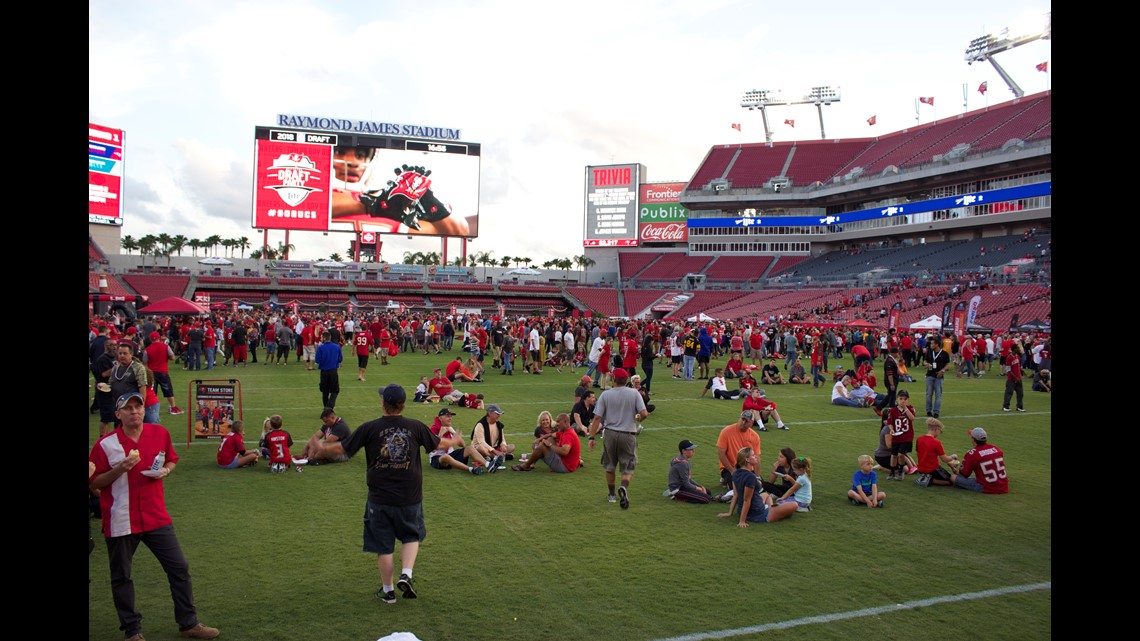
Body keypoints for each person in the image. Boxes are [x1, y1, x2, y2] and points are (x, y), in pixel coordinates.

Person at [89, 392, 221, 640]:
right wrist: (121, 469)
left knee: (179, 568)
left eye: (138, 407)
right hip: (120, 519)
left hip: (155, 516)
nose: (134, 412)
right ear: (118, 415)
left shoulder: (159, 433)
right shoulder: (105, 445)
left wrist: (166, 472)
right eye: (128, 408)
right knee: (121, 576)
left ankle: (189, 623)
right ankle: (132, 631)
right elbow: (94, 483)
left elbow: (171, 459)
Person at [340, 383, 460, 603]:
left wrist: (319, 448)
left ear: (383, 403)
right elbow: (436, 444)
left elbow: (343, 449)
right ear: (403, 405)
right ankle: (407, 573)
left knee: (384, 546)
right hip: (410, 495)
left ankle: (388, 591)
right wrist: (454, 441)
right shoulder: (415, 426)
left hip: (379, 498)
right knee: (411, 535)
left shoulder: (370, 427)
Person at [587, 368, 649, 509]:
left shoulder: (605, 395)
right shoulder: (634, 393)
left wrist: (591, 437)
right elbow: (644, 413)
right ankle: (623, 486)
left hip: (610, 433)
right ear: (627, 380)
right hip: (628, 434)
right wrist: (638, 418)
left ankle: (611, 495)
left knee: (609, 465)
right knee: (627, 466)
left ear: (614, 379)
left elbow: (597, 417)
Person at [717, 447, 798, 526]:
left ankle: (771, 508)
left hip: (743, 510)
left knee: (766, 495)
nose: (755, 456)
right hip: (758, 514)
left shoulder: (735, 473)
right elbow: (746, 500)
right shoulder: (750, 477)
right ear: (747, 460)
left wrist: (729, 513)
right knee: (794, 505)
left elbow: (736, 495)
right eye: (753, 455)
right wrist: (742, 521)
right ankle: (773, 511)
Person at [427, 407, 488, 475]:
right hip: (437, 458)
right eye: (447, 416)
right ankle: (471, 469)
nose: (450, 418)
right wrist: (441, 434)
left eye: (451, 416)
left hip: (451, 455)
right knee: (445, 457)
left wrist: (454, 433)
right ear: (440, 418)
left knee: (469, 448)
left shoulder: (449, 428)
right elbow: (432, 449)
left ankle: (488, 465)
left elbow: (462, 445)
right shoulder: (432, 430)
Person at [512, 412, 580, 473]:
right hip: (566, 462)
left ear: (565, 422)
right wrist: (539, 439)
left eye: (558, 422)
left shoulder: (568, 435)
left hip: (566, 467)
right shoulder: (565, 431)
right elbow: (551, 435)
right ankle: (531, 464)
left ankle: (526, 465)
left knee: (543, 446)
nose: (556, 424)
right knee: (549, 439)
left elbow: (564, 451)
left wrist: (549, 445)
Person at [950, 427, 1009, 494]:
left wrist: (952, 467)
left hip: (987, 487)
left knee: (953, 477)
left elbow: (964, 475)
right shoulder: (996, 448)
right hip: (1003, 485)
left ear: (973, 440)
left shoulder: (973, 453)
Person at [715, 411, 763, 490]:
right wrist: (732, 471)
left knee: (759, 488)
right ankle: (727, 480)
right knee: (738, 488)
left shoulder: (755, 436)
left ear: (751, 423)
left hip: (748, 469)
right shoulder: (726, 432)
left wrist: (757, 477)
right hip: (731, 468)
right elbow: (721, 454)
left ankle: (726, 482)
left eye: (746, 421)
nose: (743, 422)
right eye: (742, 419)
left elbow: (756, 457)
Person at [142, 332, 185, 415]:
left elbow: (145, 363)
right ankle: (173, 407)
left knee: (152, 392)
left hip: (151, 373)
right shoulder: (165, 347)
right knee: (168, 390)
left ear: (151, 339)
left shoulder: (147, 350)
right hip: (163, 371)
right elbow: (172, 357)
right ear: (159, 338)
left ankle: (150, 407)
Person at [470, 404, 515, 473]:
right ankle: (498, 457)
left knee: (512, 447)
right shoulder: (480, 425)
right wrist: (495, 451)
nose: (499, 415)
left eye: (499, 413)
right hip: (479, 448)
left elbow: (502, 439)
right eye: (497, 413)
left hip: (491, 448)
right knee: (481, 448)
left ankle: (495, 457)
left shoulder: (498, 425)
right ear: (489, 413)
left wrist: (503, 445)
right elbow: (482, 442)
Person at [913, 418, 958, 487]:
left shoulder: (919, 439)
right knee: (952, 481)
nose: (940, 433)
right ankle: (929, 480)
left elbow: (918, 454)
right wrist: (953, 456)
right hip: (933, 469)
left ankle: (925, 476)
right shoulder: (936, 442)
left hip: (921, 468)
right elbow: (945, 459)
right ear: (936, 430)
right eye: (940, 431)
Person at [666, 439, 714, 504]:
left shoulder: (684, 459)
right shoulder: (682, 464)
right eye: (690, 449)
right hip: (678, 489)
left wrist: (700, 486)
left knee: (708, 492)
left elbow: (688, 479)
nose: (693, 451)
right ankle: (677, 497)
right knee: (706, 499)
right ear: (684, 451)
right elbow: (686, 483)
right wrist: (697, 488)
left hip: (683, 485)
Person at [884, 389, 918, 480]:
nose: (903, 401)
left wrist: (906, 409)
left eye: (905, 399)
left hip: (907, 436)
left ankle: (900, 471)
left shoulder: (910, 408)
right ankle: (892, 472)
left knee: (901, 454)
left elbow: (912, 418)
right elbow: (890, 422)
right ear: (897, 399)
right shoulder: (893, 410)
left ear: (908, 400)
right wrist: (891, 429)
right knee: (894, 455)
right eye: (901, 398)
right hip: (896, 436)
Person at [315, 331, 343, 409]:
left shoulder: (321, 347)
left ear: (324, 338)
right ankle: (329, 407)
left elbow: (317, 360)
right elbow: (340, 359)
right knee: (335, 390)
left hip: (324, 371)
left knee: (325, 391)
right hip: (333, 371)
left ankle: (327, 407)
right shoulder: (336, 347)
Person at [924, 336, 950, 418]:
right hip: (929, 375)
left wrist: (942, 371)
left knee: (938, 395)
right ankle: (928, 411)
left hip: (939, 377)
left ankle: (936, 412)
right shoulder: (929, 352)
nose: (930, 344)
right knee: (929, 394)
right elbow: (925, 361)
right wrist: (926, 364)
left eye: (932, 343)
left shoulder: (944, 354)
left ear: (937, 344)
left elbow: (948, 364)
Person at [1002, 342, 1026, 412]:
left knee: (1020, 393)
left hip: (1018, 378)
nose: (1019, 349)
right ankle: (1006, 406)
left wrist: (1021, 371)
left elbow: (1016, 366)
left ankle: (1019, 407)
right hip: (1011, 379)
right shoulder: (1009, 357)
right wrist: (1016, 378)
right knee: (1009, 393)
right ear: (1014, 349)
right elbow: (1008, 370)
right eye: (1017, 348)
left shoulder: (1017, 356)